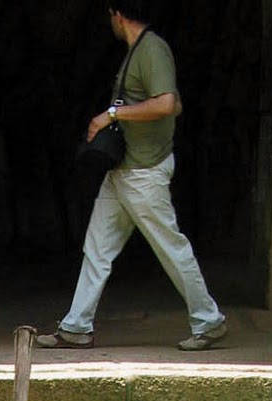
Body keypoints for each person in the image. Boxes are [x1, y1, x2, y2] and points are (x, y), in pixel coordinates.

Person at [36, 3, 227, 353]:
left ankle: (208, 319)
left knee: (171, 247)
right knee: (97, 247)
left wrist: (112, 115)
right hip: (125, 169)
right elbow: (175, 105)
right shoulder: (140, 50)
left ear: (117, 14)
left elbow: (168, 103)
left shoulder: (152, 49)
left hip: (143, 172)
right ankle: (77, 326)